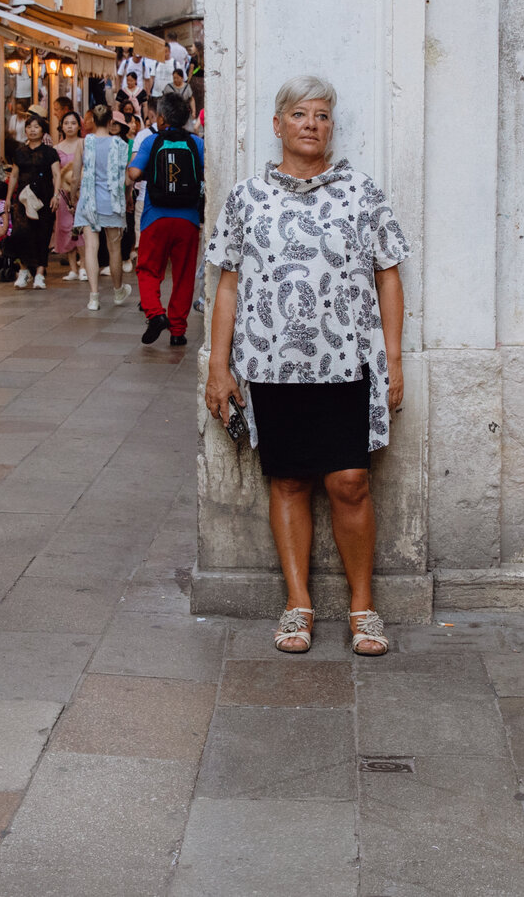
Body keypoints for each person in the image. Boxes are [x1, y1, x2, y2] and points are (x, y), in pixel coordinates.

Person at [204, 76, 409, 657]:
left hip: (346, 364)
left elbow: (387, 275)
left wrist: (392, 358)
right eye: (300, 114)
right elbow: (228, 284)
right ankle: (298, 605)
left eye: (322, 115)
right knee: (289, 479)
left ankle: (363, 610)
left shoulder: (361, 194)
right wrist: (219, 368)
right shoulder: (247, 198)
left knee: (350, 482)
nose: (312, 124)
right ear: (278, 125)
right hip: (271, 367)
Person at [127, 91, 205, 346]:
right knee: (183, 275)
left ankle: (155, 313)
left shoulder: (151, 142)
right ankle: (178, 331)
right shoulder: (197, 143)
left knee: (148, 269)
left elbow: (135, 172)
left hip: (155, 217)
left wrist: (134, 172)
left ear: (161, 118)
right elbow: (207, 175)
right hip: (188, 219)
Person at [75, 105, 132, 311]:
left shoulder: (84, 143)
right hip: (113, 202)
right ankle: (117, 291)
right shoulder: (120, 145)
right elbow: (125, 179)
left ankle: (94, 297)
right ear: (110, 122)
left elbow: (75, 176)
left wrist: (74, 194)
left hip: (89, 200)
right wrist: (127, 197)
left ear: (91, 120)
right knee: (114, 249)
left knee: (91, 247)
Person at [4, 115, 61, 289]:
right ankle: (23, 270)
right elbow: (14, 175)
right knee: (21, 234)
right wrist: (8, 198)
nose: (32, 130)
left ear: (43, 130)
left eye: (36, 127)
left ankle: (40, 274)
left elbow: (57, 174)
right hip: (22, 199)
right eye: (29, 127)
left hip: (44, 198)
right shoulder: (20, 152)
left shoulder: (50, 152)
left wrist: (56, 195)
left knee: (41, 234)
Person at [51, 109, 87, 281]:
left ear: (79, 126)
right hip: (64, 195)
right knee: (66, 228)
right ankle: (72, 268)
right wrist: (56, 194)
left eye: (73, 123)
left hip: (82, 193)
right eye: (66, 123)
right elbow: (55, 174)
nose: (70, 126)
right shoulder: (56, 149)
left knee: (82, 229)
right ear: (61, 126)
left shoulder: (85, 143)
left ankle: (84, 266)